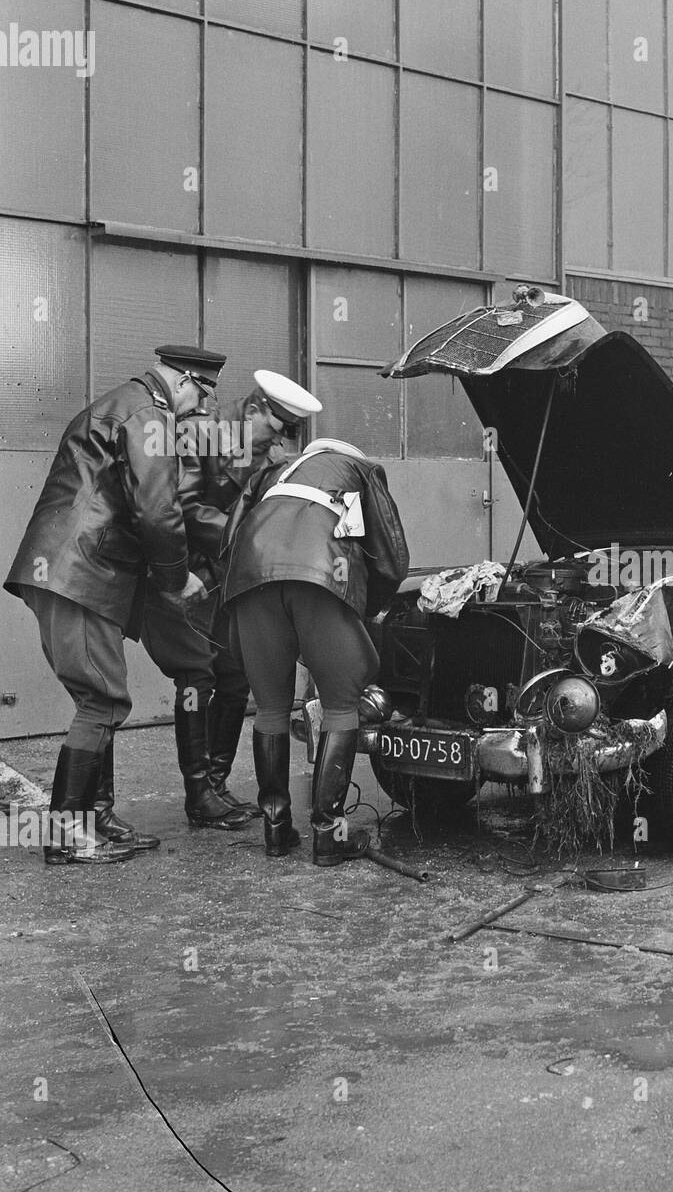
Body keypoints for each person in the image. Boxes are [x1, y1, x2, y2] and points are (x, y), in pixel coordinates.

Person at [4, 346, 214, 864]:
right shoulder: (148, 414)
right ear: (185, 381)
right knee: (102, 700)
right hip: (80, 571)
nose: (203, 412)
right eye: (203, 398)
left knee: (101, 698)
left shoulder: (125, 405)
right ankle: (66, 836)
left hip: (76, 568)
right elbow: (157, 508)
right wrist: (175, 579)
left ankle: (96, 817)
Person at [138, 370, 322, 826]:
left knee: (237, 675)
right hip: (176, 573)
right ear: (254, 410)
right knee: (195, 677)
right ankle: (198, 793)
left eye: (287, 436)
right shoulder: (201, 434)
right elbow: (179, 505)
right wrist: (247, 536)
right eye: (275, 430)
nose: (277, 444)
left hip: (219, 579)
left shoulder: (261, 451)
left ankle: (215, 784)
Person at [221, 438, 409, 865]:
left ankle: (276, 831)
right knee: (342, 702)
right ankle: (329, 834)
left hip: (250, 576)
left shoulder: (272, 475)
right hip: (318, 576)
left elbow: (228, 538)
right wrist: (365, 608)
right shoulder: (362, 471)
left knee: (269, 706)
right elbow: (392, 559)